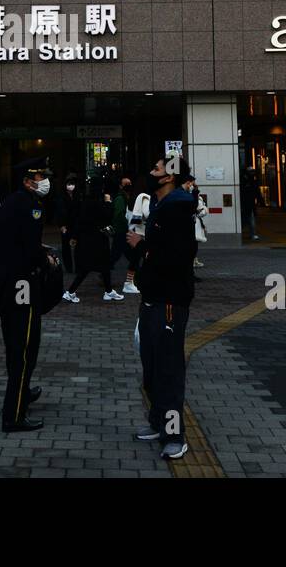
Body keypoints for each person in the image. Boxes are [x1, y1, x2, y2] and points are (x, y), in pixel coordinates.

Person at [127, 156, 198, 461]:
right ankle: (158, 422)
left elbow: (178, 256)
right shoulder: (160, 205)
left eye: (156, 169)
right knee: (152, 366)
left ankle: (174, 435)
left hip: (169, 300)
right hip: (153, 297)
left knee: (168, 370)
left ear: (169, 177)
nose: (151, 172)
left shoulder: (177, 208)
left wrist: (141, 245)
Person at [0, 158, 55, 433]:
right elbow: (29, 249)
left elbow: (17, 240)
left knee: (17, 346)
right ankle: (13, 414)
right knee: (24, 349)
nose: (44, 181)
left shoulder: (14, 201)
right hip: (19, 286)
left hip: (5, 284)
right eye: (39, 177)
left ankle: (22, 391)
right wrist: (46, 259)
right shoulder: (30, 206)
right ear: (27, 181)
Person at [63, 181, 121, 303]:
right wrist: (108, 202)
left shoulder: (85, 202)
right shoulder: (99, 202)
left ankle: (108, 291)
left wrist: (74, 237)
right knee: (91, 267)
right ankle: (70, 292)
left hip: (88, 240)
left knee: (102, 266)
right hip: (97, 240)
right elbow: (108, 215)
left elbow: (79, 221)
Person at [108, 176, 141, 295]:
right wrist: (128, 226)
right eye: (126, 184)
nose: (129, 185)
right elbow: (119, 215)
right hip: (122, 232)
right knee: (122, 255)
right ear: (121, 186)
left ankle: (137, 278)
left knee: (129, 255)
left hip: (123, 232)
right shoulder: (120, 198)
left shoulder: (126, 197)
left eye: (130, 183)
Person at [57, 175, 81, 273]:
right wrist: (61, 225)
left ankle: (79, 266)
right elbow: (59, 211)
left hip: (76, 223)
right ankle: (69, 267)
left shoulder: (78, 195)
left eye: (72, 184)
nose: (71, 186)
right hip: (66, 224)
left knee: (78, 246)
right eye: (69, 184)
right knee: (66, 247)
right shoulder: (61, 196)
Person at [239, 167, 261, 241]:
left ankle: (252, 234)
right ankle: (252, 234)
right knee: (249, 220)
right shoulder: (247, 181)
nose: (252, 173)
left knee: (248, 219)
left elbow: (257, 192)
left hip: (248, 204)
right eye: (251, 172)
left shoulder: (249, 181)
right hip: (247, 204)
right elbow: (256, 192)